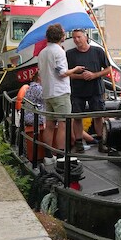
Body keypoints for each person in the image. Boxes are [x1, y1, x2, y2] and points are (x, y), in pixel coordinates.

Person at [38, 23, 85, 160]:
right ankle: (60, 154)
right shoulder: (59, 51)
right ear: (61, 36)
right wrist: (76, 69)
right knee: (63, 124)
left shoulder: (43, 53)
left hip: (48, 92)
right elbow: (62, 73)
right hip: (60, 92)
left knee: (50, 124)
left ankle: (48, 155)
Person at [66, 29, 112, 149]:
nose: (76, 40)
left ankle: (102, 141)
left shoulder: (98, 51)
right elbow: (66, 74)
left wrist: (94, 75)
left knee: (98, 116)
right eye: (74, 37)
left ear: (86, 37)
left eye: (79, 37)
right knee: (77, 117)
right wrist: (80, 76)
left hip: (95, 89)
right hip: (77, 90)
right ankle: (79, 142)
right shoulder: (69, 54)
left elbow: (108, 69)